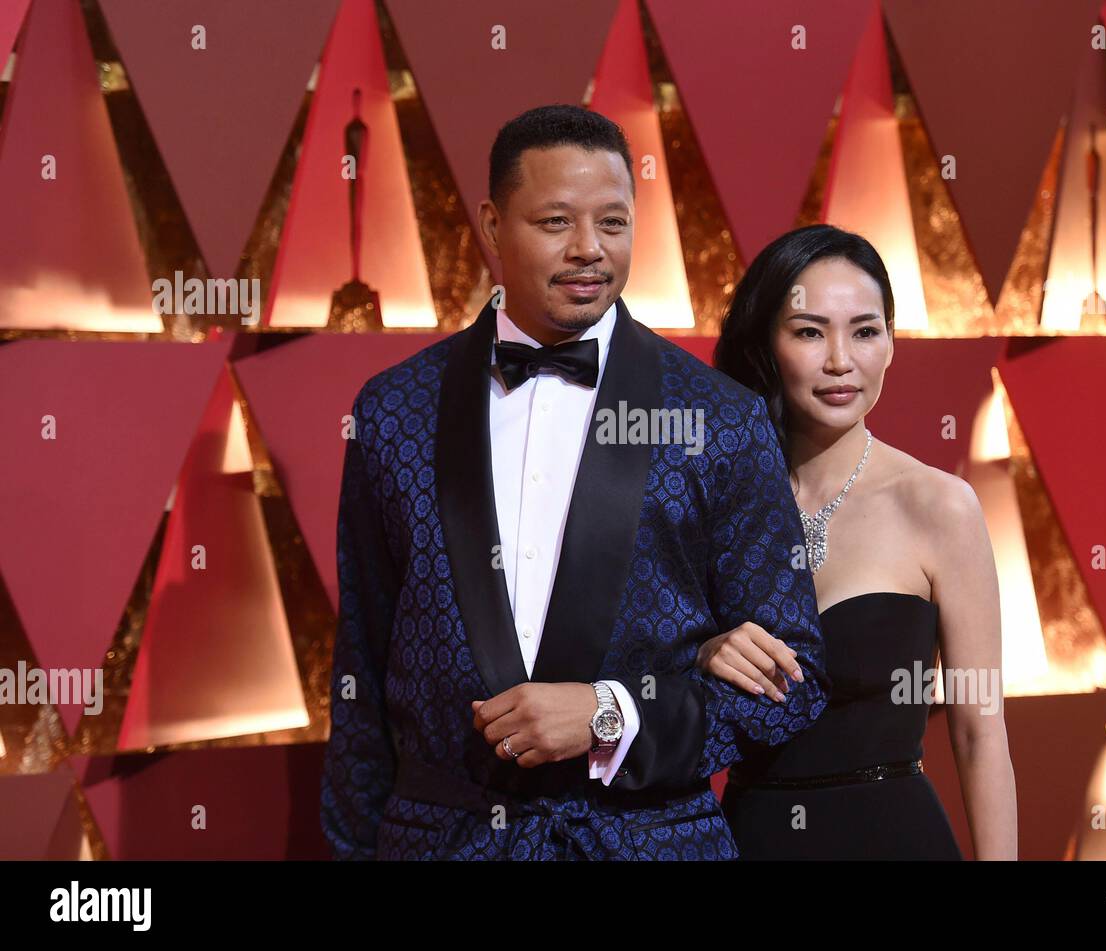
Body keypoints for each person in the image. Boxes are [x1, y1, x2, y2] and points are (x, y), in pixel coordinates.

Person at [319, 105, 829, 860]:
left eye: (614, 223)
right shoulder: (393, 411)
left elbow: (796, 678)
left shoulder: (719, 416)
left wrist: (609, 713)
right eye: (556, 222)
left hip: (647, 841)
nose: (590, 250)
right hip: (442, 842)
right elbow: (361, 666)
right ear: (492, 227)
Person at [705, 224, 1017, 859]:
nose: (841, 360)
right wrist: (704, 652)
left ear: (892, 344)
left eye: (865, 331)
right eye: (810, 331)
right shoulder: (714, 501)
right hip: (751, 837)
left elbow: (980, 735)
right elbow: (641, 679)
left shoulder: (939, 506)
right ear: (767, 344)